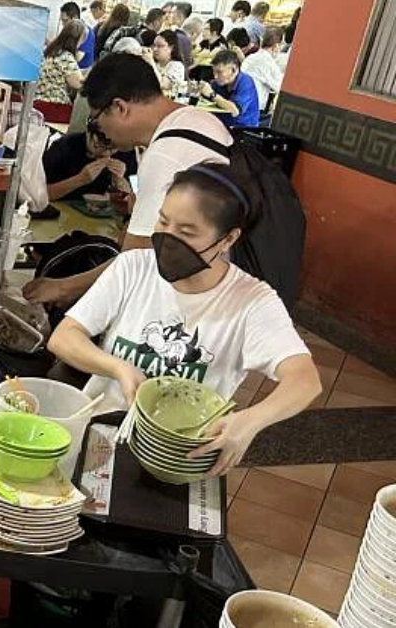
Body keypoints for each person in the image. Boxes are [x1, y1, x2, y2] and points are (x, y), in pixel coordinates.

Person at [46, 161, 321, 476]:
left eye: (187, 232)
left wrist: (249, 422)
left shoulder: (252, 301)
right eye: (163, 221)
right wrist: (119, 368)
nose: (167, 238)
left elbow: (305, 380)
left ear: (227, 239)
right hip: (100, 435)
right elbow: (64, 337)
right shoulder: (133, 267)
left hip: (178, 456)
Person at [23, 53, 231, 305]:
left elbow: (135, 259)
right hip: (221, 281)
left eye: (95, 118)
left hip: (194, 295)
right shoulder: (199, 120)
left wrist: (64, 288)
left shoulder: (165, 154)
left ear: (119, 108)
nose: (99, 129)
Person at [43, 128, 138, 202]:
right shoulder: (65, 146)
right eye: (98, 146)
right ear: (88, 133)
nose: (106, 154)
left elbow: (132, 200)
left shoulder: (126, 152)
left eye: (112, 149)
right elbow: (41, 195)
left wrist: (120, 182)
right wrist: (80, 179)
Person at [35, 20, 86, 122]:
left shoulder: (48, 52)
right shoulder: (66, 57)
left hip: (36, 103)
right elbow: (78, 84)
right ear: (77, 40)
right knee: (81, 118)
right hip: (54, 107)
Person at [202, 49, 260, 127]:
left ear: (234, 69)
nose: (215, 76)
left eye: (219, 72)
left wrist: (212, 94)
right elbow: (206, 98)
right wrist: (199, 90)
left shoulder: (246, 83)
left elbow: (234, 111)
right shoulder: (218, 82)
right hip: (221, 125)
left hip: (242, 128)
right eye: (214, 71)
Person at [241, 26, 285, 114]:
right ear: (276, 45)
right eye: (281, 44)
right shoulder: (268, 62)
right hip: (253, 108)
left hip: (241, 102)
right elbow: (281, 87)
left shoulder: (251, 57)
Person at [61, 2, 98, 70]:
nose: (63, 24)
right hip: (70, 65)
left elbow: (77, 58)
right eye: (62, 20)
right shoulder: (70, 30)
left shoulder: (86, 32)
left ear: (75, 18)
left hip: (81, 69)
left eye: (65, 20)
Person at [152, 31, 187, 101]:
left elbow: (163, 85)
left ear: (171, 48)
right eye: (154, 45)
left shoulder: (177, 66)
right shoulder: (155, 64)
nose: (155, 49)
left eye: (160, 46)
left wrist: (151, 62)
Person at [169, 2, 195, 67]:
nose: (170, 15)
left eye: (172, 13)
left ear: (180, 16)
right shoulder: (182, 34)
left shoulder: (179, 36)